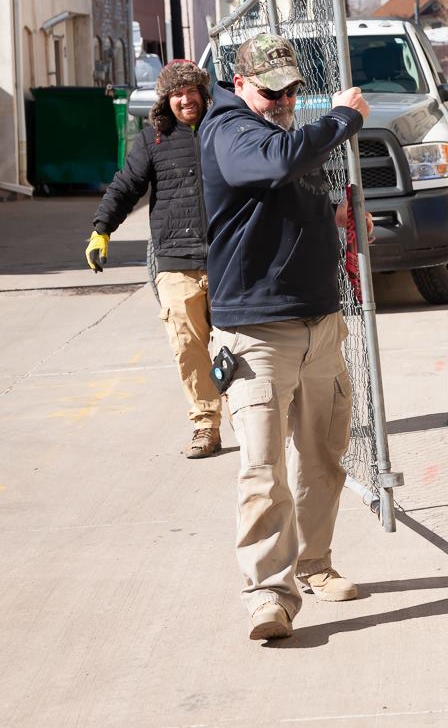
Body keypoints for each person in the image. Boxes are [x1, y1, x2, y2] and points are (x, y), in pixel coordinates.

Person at [199, 33, 370, 641]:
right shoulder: (229, 129)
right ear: (240, 84)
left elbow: (283, 197)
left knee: (323, 455)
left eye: (293, 91)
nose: (284, 101)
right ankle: (269, 593)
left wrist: (334, 216)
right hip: (257, 333)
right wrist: (342, 119)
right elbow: (274, 164)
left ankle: (314, 563)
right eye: (272, 92)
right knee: (263, 469)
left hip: (318, 323)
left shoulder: (281, 131)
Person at [84, 60, 222, 460]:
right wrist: (101, 230)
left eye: (191, 91)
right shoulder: (153, 140)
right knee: (187, 345)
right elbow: (125, 186)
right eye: (177, 94)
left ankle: (253, 418)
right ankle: (206, 424)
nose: (185, 100)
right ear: (166, 100)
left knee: (240, 344)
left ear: (203, 93)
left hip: (228, 256)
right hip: (176, 259)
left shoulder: (223, 130)